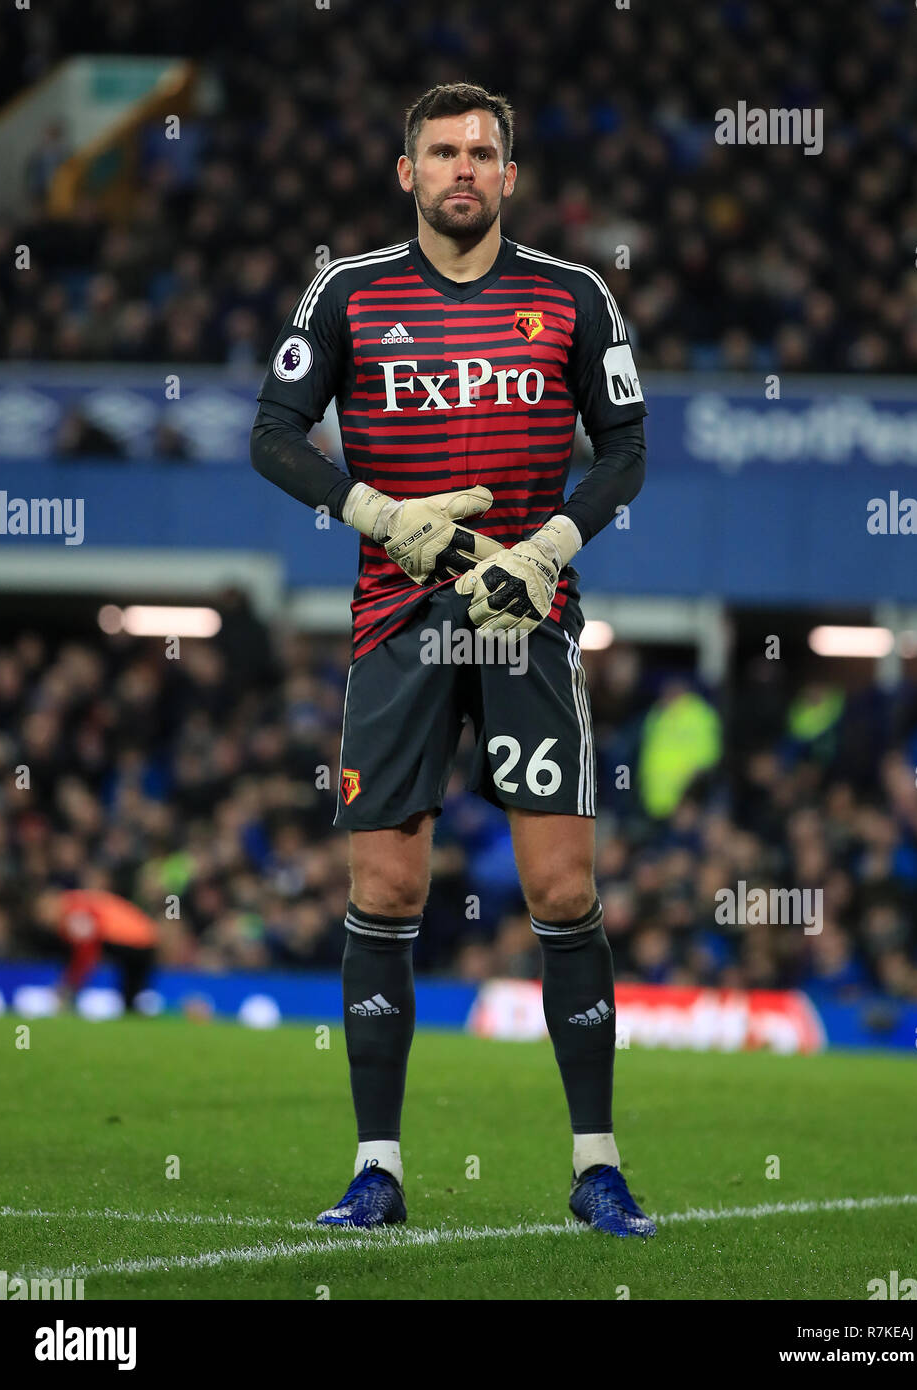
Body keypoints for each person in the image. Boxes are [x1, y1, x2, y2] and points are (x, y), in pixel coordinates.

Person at [250, 82, 651, 1237]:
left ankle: (596, 1164)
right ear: (406, 170)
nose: (463, 168)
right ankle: (376, 1168)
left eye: (483, 151)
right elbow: (272, 434)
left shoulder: (572, 297)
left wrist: (551, 545)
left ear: (510, 176)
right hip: (398, 619)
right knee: (383, 889)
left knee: (563, 891)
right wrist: (380, 513)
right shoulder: (351, 291)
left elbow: (624, 447)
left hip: (527, 617)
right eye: (442, 151)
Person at [33, 887, 159, 1013]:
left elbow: (86, 953)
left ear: (54, 901)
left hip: (133, 942)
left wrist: (69, 985)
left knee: (131, 993)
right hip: (144, 938)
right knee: (130, 996)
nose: (42, 918)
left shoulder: (74, 911)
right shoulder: (77, 902)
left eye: (43, 910)